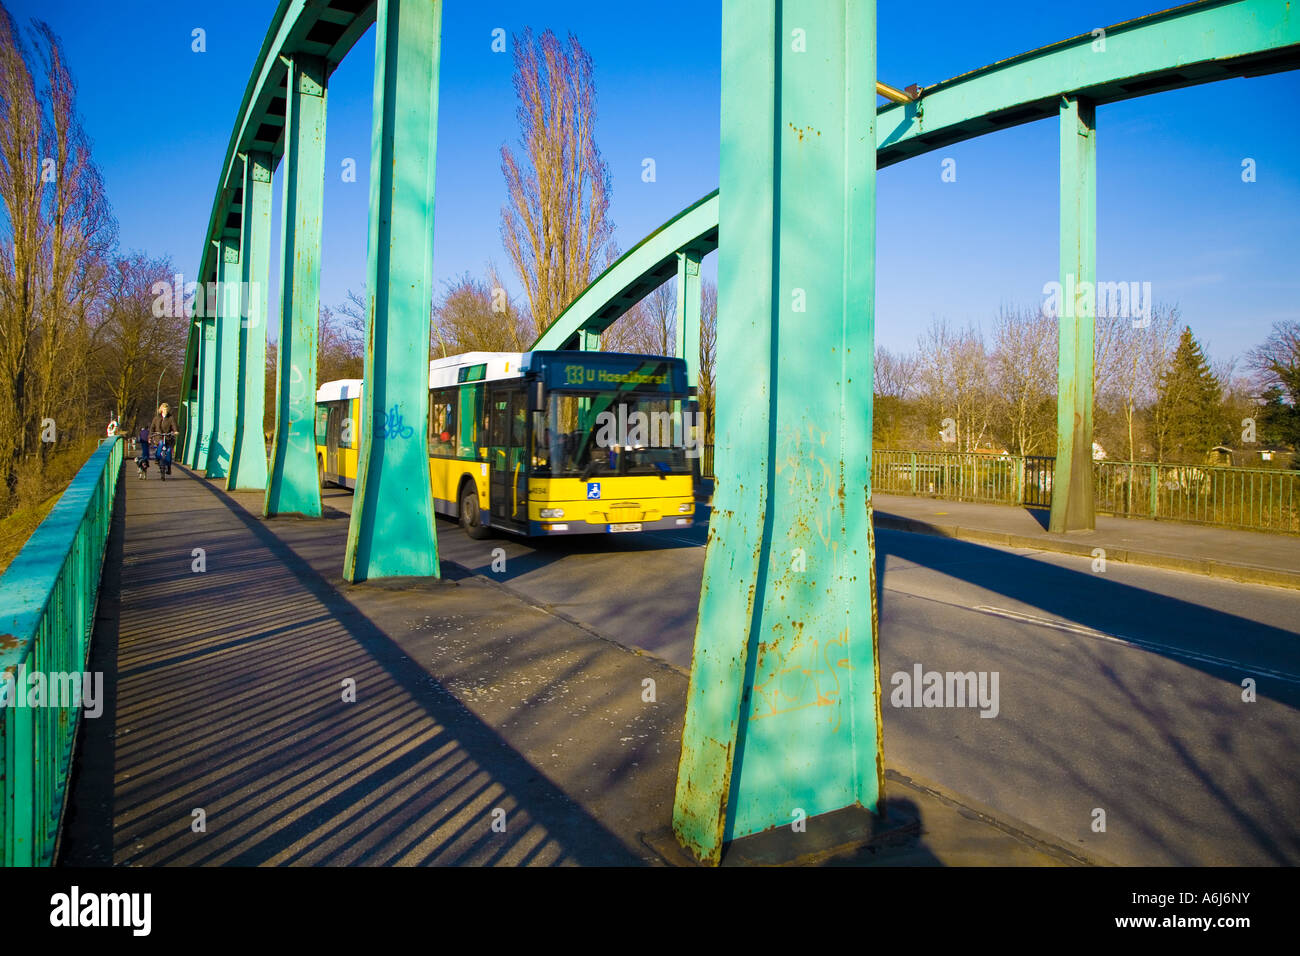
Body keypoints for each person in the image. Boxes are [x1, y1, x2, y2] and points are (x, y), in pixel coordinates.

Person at [150, 403, 178, 479]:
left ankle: (168, 466)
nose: (165, 411)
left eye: (167, 409)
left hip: (168, 436)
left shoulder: (170, 418)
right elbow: (152, 427)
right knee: (161, 443)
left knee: (169, 451)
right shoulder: (157, 418)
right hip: (159, 436)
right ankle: (157, 458)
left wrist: (175, 431)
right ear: (161, 409)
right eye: (164, 409)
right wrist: (150, 435)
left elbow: (174, 425)